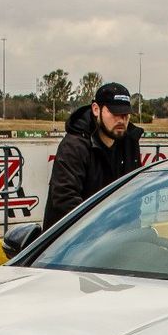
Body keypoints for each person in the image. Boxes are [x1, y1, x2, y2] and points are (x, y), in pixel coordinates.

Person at [43, 82, 144, 229]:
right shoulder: (74, 146)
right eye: (115, 113)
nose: (121, 120)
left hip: (118, 236)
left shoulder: (130, 143)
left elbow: (134, 196)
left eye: (126, 114)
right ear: (96, 109)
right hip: (71, 237)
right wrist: (102, 230)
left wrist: (134, 231)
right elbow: (65, 200)